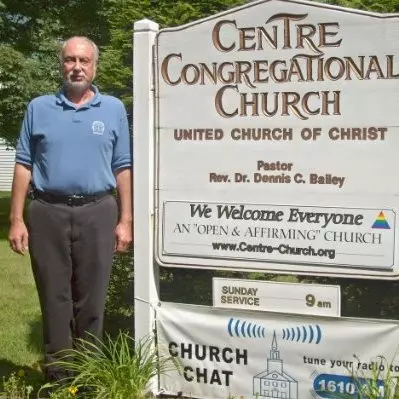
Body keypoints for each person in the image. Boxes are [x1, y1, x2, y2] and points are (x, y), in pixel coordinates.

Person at [8, 36, 133, 383]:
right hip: (47, 211)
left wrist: (126, 219)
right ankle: (61, 381)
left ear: (95, 66)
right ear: (61, 64)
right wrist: (17, 218)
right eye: (69, 60)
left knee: (91, 302)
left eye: (84, 61)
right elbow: (23, 164)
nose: (76, 67)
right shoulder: (39, 108)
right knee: (54, 299)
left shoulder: (112, 109)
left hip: (98, 211)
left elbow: (123, 165)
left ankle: (88, 377)